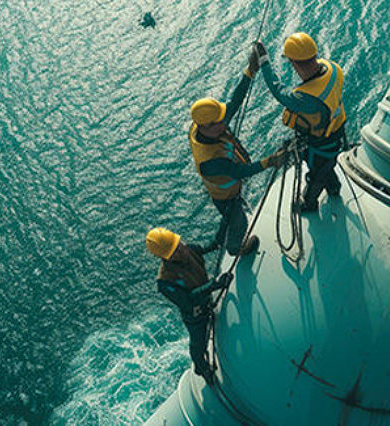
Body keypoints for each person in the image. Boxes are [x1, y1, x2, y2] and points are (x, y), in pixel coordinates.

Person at [189, 57, 284, 255]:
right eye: (218, 122)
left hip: (227, 191)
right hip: (226, 196)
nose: (224, 122)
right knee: (238, 221)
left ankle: (216, 241)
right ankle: (235, 248)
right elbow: (239, 171)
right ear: (205, 126)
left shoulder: (205, 126)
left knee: (228, 218)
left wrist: (250, 71)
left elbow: (234, 102)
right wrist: (270, 161)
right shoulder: (210, 161)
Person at [251, 32, 347, 212]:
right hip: (337, 131)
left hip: (320, 145)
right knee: (328, 166)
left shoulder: (305, 99)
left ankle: (309, 203)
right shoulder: (333, 68)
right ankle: (334, 188)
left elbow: (277, 89)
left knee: (316, 175)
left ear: (294, 63)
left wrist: (263, 60)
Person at [145, 227, 232, 385]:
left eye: (179, 244)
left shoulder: (189, 250)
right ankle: (201, 367)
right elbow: (187, 300)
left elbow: (212, 245)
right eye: (175, 250)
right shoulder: (165, 281)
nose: (181, 249)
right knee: (198, 341)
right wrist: (213, 286)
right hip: (195, 315)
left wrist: (226, 222)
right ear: (167, 257)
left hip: (206, 301)